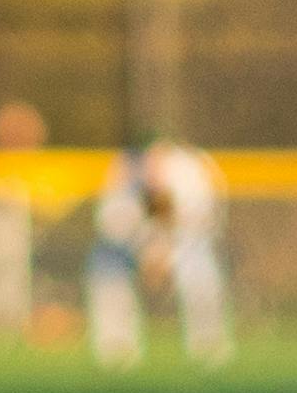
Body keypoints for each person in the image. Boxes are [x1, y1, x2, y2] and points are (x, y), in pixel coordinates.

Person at [84, 136, 230, 369]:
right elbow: (110, 224)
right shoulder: (124, 169)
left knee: (199, 266)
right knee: (106, 263)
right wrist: (147, 251)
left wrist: (165, 250)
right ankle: (116, 349)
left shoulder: (189, 169)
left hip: (184, 242)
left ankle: (208, 346)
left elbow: (202, 220)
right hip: (133, 244)